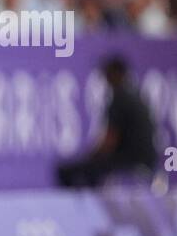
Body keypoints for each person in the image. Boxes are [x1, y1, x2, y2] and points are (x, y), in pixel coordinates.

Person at [57, 55, 159, 187]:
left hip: (129, 160)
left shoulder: (119, 100)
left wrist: (91, 156)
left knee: (68, 171)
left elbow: (110, 141)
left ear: (117, 74)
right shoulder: (137, 97)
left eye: (108, 73)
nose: (105, 78)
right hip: (147, 159)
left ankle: (87, 206)